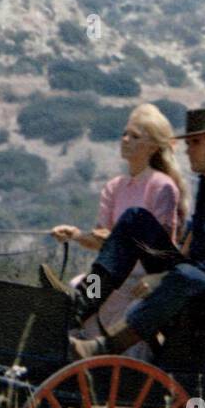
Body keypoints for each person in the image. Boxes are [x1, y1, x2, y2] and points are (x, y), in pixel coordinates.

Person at [59, 107, 205, 359]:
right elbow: (193, 242)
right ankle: (79, 306)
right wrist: (170, 268)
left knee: (185, 275)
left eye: (196, 142)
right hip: (191, 275)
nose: (188, 149)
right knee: (135, 219)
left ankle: (105, 346)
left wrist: (165, 276)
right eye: (188, 142)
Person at [41, 105, 187, 355]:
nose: (125, 140)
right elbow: (105, 244)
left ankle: (108, 353)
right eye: (124, 134)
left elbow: (161, 243)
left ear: (153, 147)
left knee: (96, 291)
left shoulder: (161, 187)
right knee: (83, 284)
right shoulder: (114, 187)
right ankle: (75, 337)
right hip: (112, 273)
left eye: (135, 136)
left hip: (143, 273)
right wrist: (75, 235)